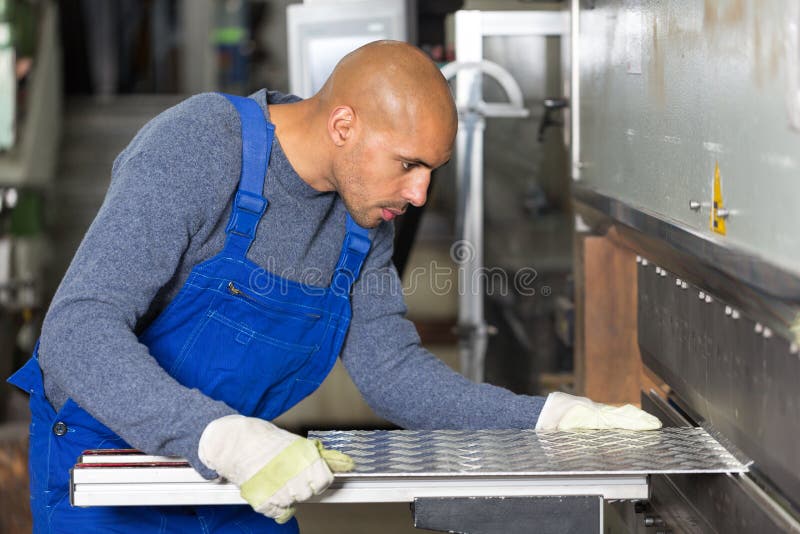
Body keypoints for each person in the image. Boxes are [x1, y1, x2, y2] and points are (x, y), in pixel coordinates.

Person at [8, 41, 660, 533]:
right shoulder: (201, 145)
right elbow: (77, 330)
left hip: (242, 473)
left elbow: (391, 373)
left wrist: (547, 420)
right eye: (408, 164)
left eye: (431, 171)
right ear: (344, 125)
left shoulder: (363, 219)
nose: (419, 193)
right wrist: (224, 439)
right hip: (109, 464)